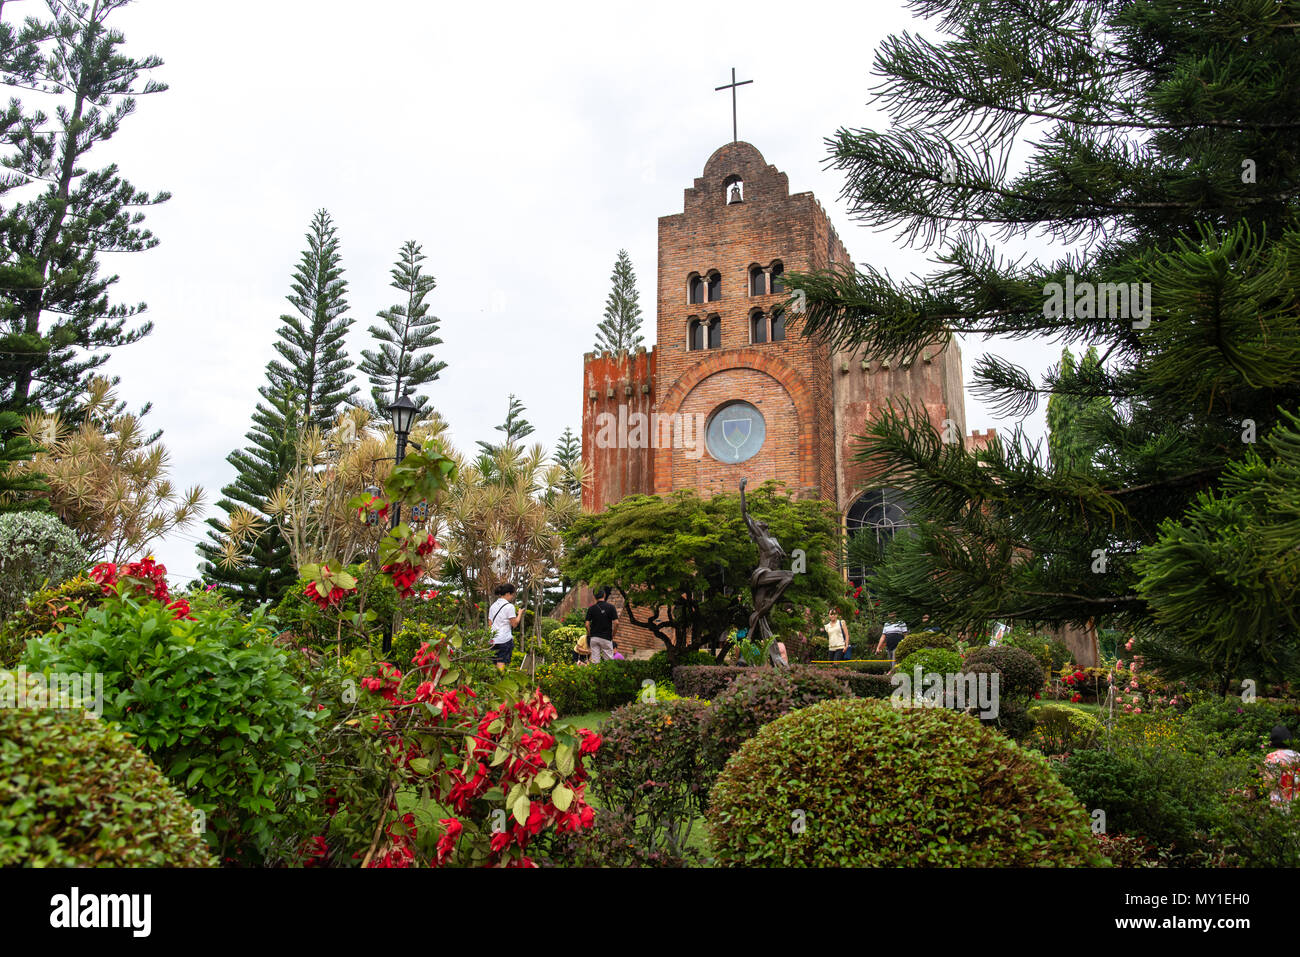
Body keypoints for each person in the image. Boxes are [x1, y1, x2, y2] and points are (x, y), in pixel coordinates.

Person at [487, 582, 522, 672]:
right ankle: (500, 682)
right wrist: (519, 614)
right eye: (512, 595)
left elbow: (490, 624)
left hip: (493, 639)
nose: (512, 597)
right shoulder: (509, 607)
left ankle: (493, 682)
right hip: (504, 639)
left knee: (494, 663)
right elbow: (514, 624)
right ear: (507, 594)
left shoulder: (493, 606)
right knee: (501, 662)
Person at [1265, 724, 1300, 809]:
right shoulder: (1298, 756)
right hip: (1297, 804)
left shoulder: (1272, 758)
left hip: (1279, 805)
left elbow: (1269, 784)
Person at [585, 586, 620, 664]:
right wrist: (613, 635)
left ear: (594, 596)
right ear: (604, 594)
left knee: (595, 662)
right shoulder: (611, 607)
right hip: (606, 637)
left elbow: (587, 624)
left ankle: (595, 675)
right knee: (609, 662)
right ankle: (608, 676)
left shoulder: (591, 609)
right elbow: (616, 623)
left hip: (594, 638)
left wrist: (590, 634)